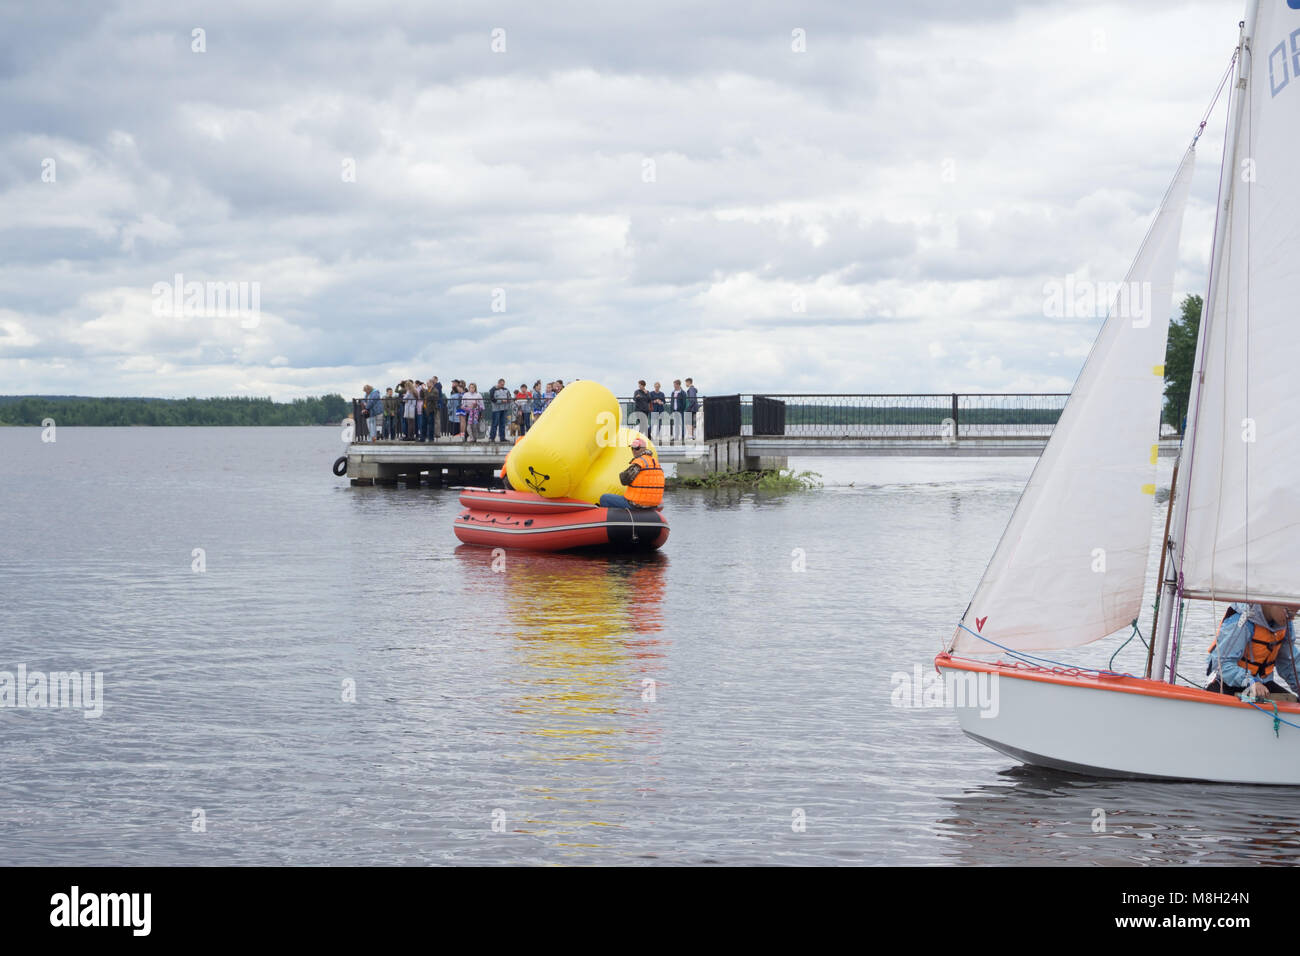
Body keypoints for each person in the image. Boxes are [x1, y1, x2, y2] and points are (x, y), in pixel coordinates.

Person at [1206, 603, 1300, 699]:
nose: (1291, 618)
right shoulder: (1241, 622)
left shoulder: (1285, 625)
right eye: (1289, 612)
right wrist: (1251, 681)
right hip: (1226, 684)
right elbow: (1221, 665)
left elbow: (1289, 665)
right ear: (1271, 602)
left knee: (1295, 702)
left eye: (1295, 613)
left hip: (1261, 686)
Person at [598, 436, 664, 510]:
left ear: (643, 448)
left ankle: (612, 519)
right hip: (653, 504)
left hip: (636, 504)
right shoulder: (655, 462)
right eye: (632, 448)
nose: (634, 451)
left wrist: (621, 472)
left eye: (636, 448)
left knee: (604, 498)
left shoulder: (639, 463)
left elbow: (624, 480)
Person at [669, 379, 684, 443]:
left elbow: (684, 403)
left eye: (674, 384)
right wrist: (671, 409)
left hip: (680, 411)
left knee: (680, 424)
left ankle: (682, 436)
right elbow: (672, 402)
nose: (674, 386)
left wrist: (681, 409)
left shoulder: (682, 392)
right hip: (674, 410)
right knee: (675, 424)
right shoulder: (673, 392)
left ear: (678, 385)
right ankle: (676, 437)